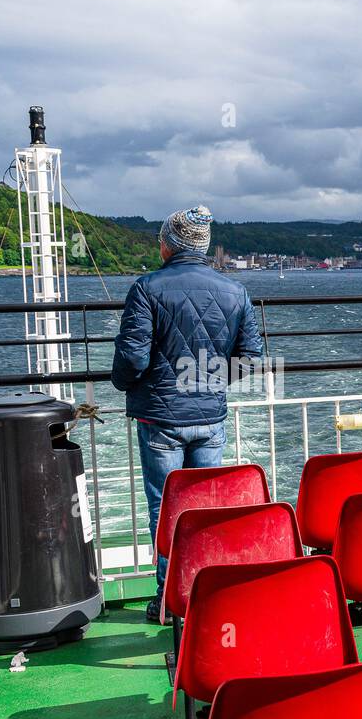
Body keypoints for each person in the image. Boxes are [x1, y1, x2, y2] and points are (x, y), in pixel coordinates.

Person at [111, 205, 263, 622]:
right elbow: (251, 358)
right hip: (210, 417)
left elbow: (133, 357)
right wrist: (208, 380)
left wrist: (124, 384)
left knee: (166, 511)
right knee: (206, 513)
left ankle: (168, 601)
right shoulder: (236, 291)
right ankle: (204, 597)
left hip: (160, 419)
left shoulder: (147, 288)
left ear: (168, 244)